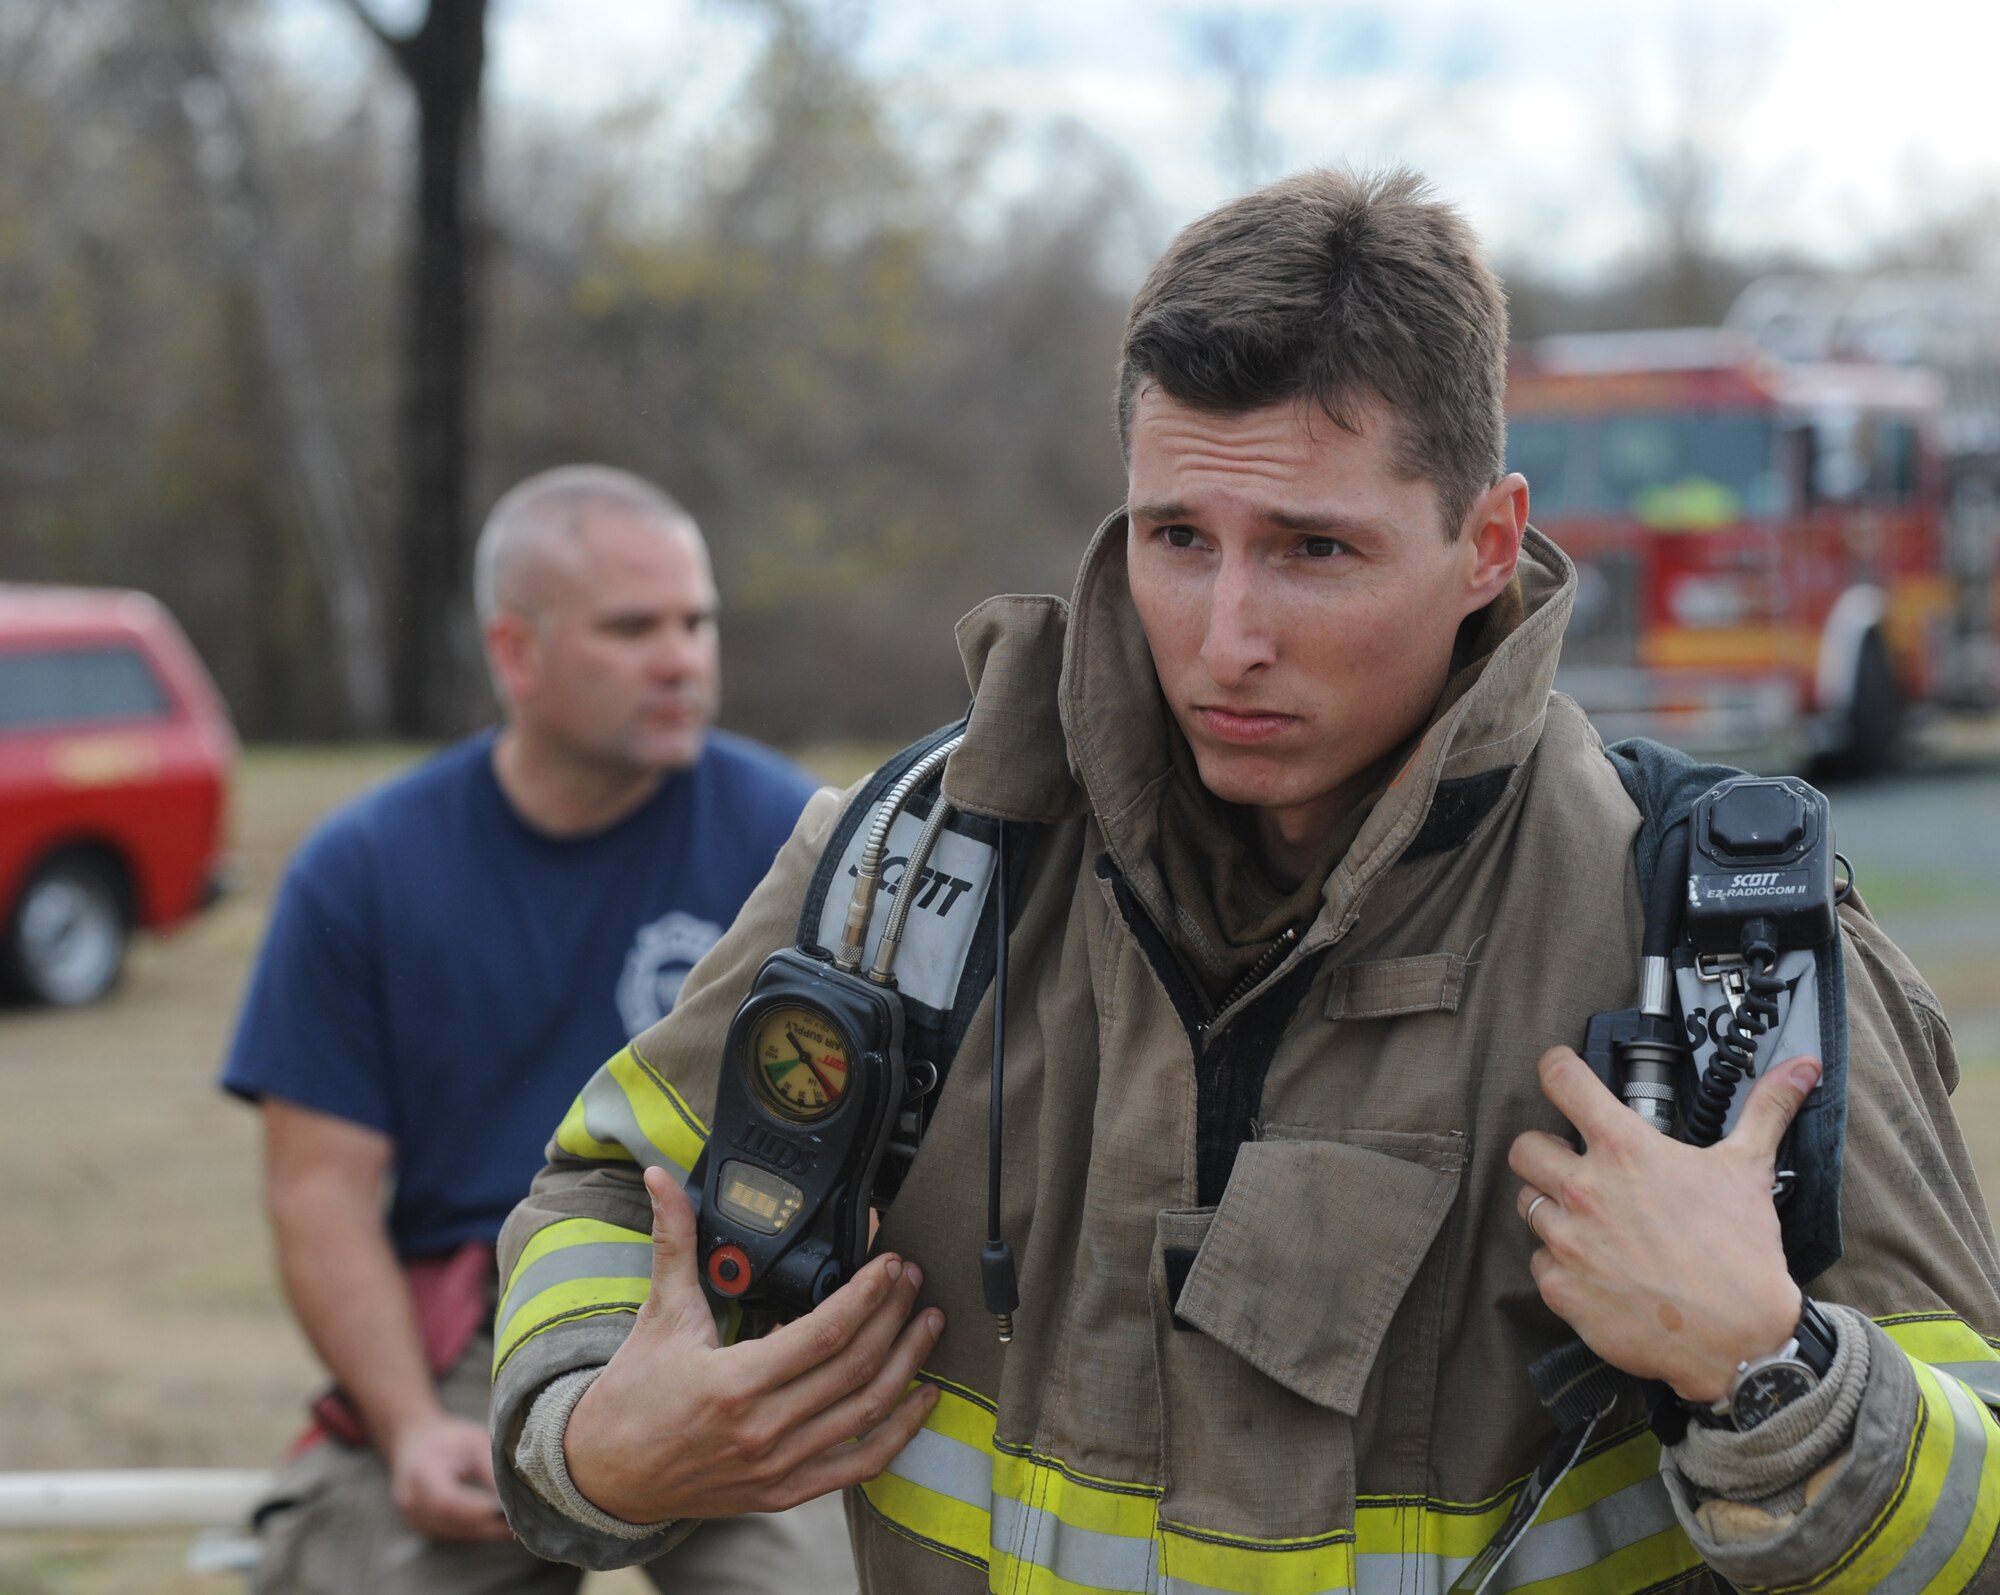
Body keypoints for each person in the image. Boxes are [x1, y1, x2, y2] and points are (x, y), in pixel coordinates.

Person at [485, 178, 2000, 1595]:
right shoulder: (913, 865)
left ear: (1486, 542)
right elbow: (618, 1187)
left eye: (1314, 549)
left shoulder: (1713, 950)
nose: (1225, 636)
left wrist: (1769, 1361)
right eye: (1178, 537)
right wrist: (594, 1437)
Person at [220, 465, 850, 1594]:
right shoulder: (362, 871)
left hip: (737, 1311)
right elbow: (317, 1193)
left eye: (695, 620)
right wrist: (408, 1423)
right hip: (472, 1337)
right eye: (632, 626)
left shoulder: (801, 845)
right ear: (515, 650)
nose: (680, 656)